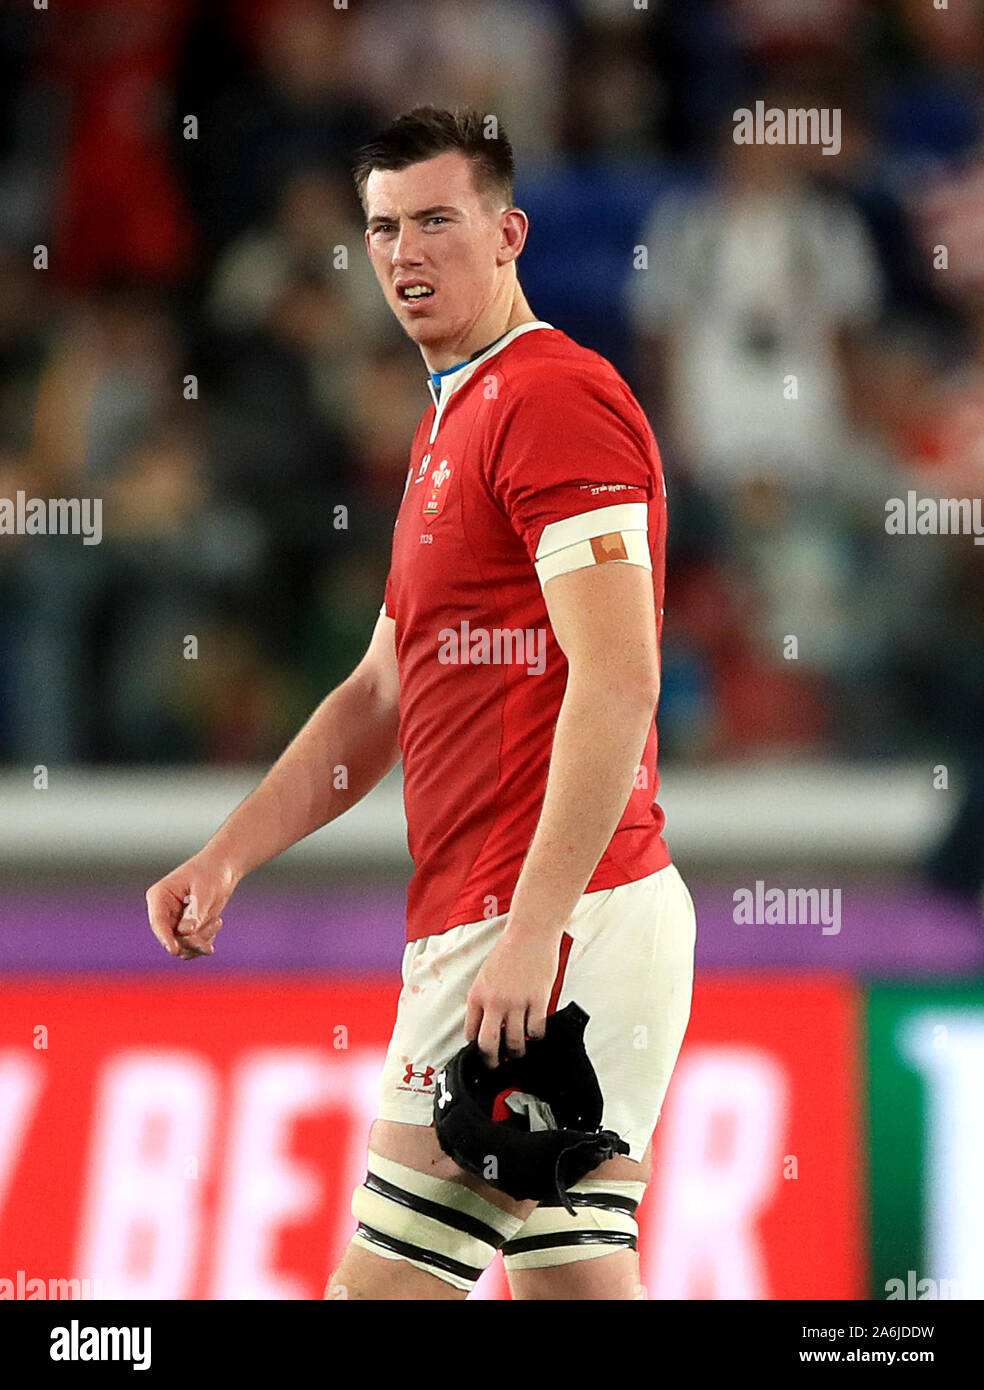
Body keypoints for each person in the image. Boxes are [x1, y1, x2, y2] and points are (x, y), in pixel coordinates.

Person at [146, 107, 697, 1301]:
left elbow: (619, 678)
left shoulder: (553, 399)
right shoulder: (454, 419)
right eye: (383, 227)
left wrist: (534, 929)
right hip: (516, 914)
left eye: (437, 221)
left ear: (510, 235)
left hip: (553, 916)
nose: (405, 252)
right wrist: (229, 855)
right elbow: (379, 693)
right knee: (574, 1283)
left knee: (382, 1291)